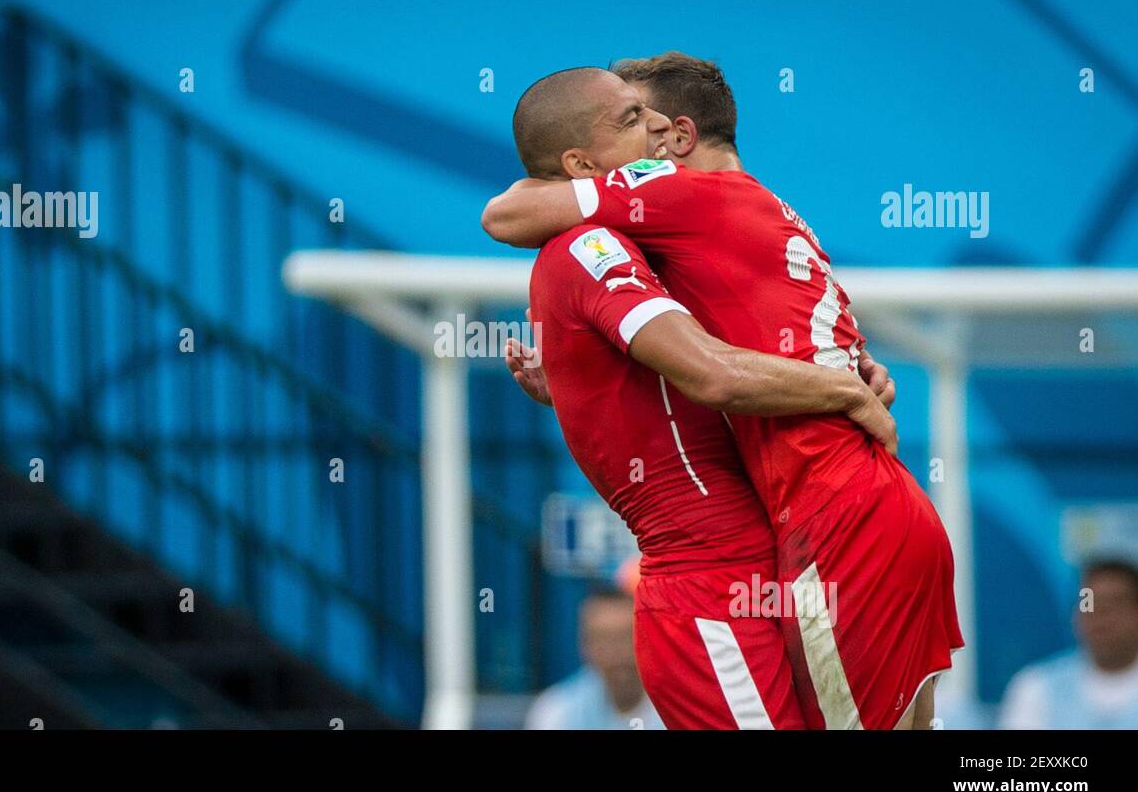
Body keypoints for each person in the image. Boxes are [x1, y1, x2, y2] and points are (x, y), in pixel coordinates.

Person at [484, 55, 963, 729]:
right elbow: (709, 376)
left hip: (822, 527)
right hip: (747, 566)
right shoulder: (605, 244)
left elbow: (506, 212)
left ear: (685, 134)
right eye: (630, 120)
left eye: (652, 116)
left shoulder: (670, 209)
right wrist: (576, 378)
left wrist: (843, 390)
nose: (651, 129)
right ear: (583, 162)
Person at [1000, 538, 1138, 729]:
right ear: (1076, 614)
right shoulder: (1036, 687)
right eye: (1089, 603)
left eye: (1116, 603)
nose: (1102, 616)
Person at [525, 587, 665, 730]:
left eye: (627, 637)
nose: (617, 652)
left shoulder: (679, 707)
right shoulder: (557, 711)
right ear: (584, 644)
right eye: (603, 639)